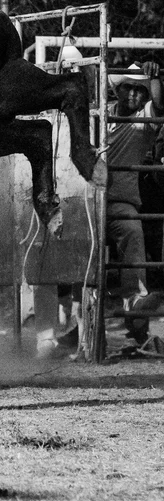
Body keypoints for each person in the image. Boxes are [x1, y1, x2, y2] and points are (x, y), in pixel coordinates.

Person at [104, 62, 164, 346]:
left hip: (119, 203)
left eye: (140, 90)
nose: (134, 94)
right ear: (117, 89)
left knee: (133, 231)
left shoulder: (141, 123)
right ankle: (68, 317)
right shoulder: (97, 116)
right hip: (84, 201)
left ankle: (135, 304)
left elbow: (159, 104)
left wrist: (154, 77)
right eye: (128, 86)